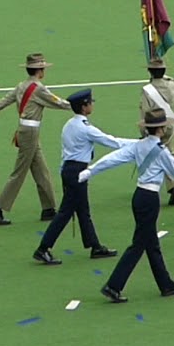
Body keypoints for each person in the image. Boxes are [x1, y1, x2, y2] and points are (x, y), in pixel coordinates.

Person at [87, 110, 174, 304]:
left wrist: (91, 171)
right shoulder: (161, 152)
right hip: (149, 198)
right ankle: (114, 285)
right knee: (139, 244)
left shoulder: (139, 146)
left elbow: (114, 158)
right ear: (161, 129)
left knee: (151, 243)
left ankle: (166, 284)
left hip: (139, 196)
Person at [33, 89, 130, 265]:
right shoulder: (86, 129)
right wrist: (140, 143)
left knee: (82, 210)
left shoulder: (69, 125)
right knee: (66, 212)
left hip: (69, 170)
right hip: (78, 172)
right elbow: (113, 142)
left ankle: (95, 246)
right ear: (84, 106)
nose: (92, 104)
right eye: (90, 102)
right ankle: (43, 248)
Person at [0, 53, 71, 226]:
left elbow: (3, 101)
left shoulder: (21, 86)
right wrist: (76, 105)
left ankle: (49, 208)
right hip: (30, 132)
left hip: (25, 131)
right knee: (19, 172)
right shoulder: (38, 88)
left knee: (41, 170)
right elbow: (57, 102)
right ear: (39, 70)